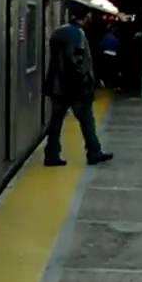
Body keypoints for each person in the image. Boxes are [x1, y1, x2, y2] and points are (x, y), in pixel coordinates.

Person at [43, 14, 113, 167]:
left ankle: (51, 154)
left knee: (56, 122)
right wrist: (86, 82)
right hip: (75, 88)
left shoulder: (57, 32)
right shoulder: (78, 34)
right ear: (84, 18)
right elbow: (75, 60)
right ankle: (94, 152)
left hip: (56, 87)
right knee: (87, 120)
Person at [99, 25, 121, 90]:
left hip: (105, 54)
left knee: (105, 69)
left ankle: (103, 81)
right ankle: (115, 86)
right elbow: (118, 45)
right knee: (114, 71)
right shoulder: (115, 37)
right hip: (113, 54)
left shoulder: (104, 37)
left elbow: (101, 45)